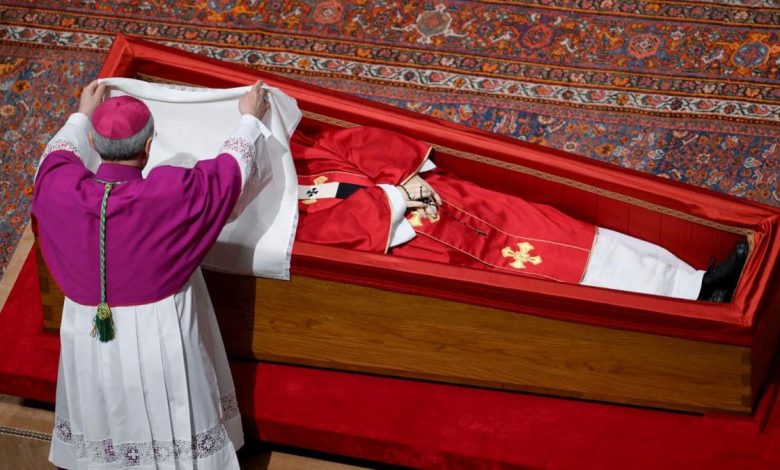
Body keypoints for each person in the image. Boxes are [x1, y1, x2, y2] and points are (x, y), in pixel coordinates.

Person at [33, 79, 271, 469]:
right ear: (148, 148)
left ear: (92, 144)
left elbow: (53, 159)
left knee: (103, 408)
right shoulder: (170, 193)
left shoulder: (60, 190)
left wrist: (81, 115)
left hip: (89, 332)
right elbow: (232, 172)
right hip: (161, 335)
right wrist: (249, 119)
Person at [291, 126, 747, 302]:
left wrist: (405, 176)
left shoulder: (285, 152)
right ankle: (694, 306)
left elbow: (342, 143)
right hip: (416, 248)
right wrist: (391, 201)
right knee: (557, 277)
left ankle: (693, 280)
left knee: (568, 234)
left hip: (445, 199)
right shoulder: (257, 222)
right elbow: (327, 237)